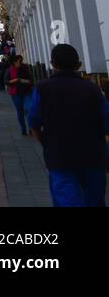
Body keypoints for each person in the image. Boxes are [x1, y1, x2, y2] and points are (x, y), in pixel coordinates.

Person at [28, 44, 108, 207]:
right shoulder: (93, 89)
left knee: (67, 201)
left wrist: (46, 143)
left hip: (59, 156)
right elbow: (106, 121)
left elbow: (33, 122)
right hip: (93, 155)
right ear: (78, 65)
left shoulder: (42, 88)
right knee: (95, 200)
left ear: (52, 64)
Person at [6, 53, 34, 135]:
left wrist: (21, 80)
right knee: (20, 111)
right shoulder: (9, 70)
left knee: (28, 109)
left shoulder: (25, 69)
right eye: (18, 62)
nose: (20, 63)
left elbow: (31, 81)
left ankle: (31, 128)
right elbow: (6, 81)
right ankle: (23, 129)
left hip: (26, 92)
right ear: (14, 62)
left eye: (20, 61)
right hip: (15, 93)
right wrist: (13, 81)